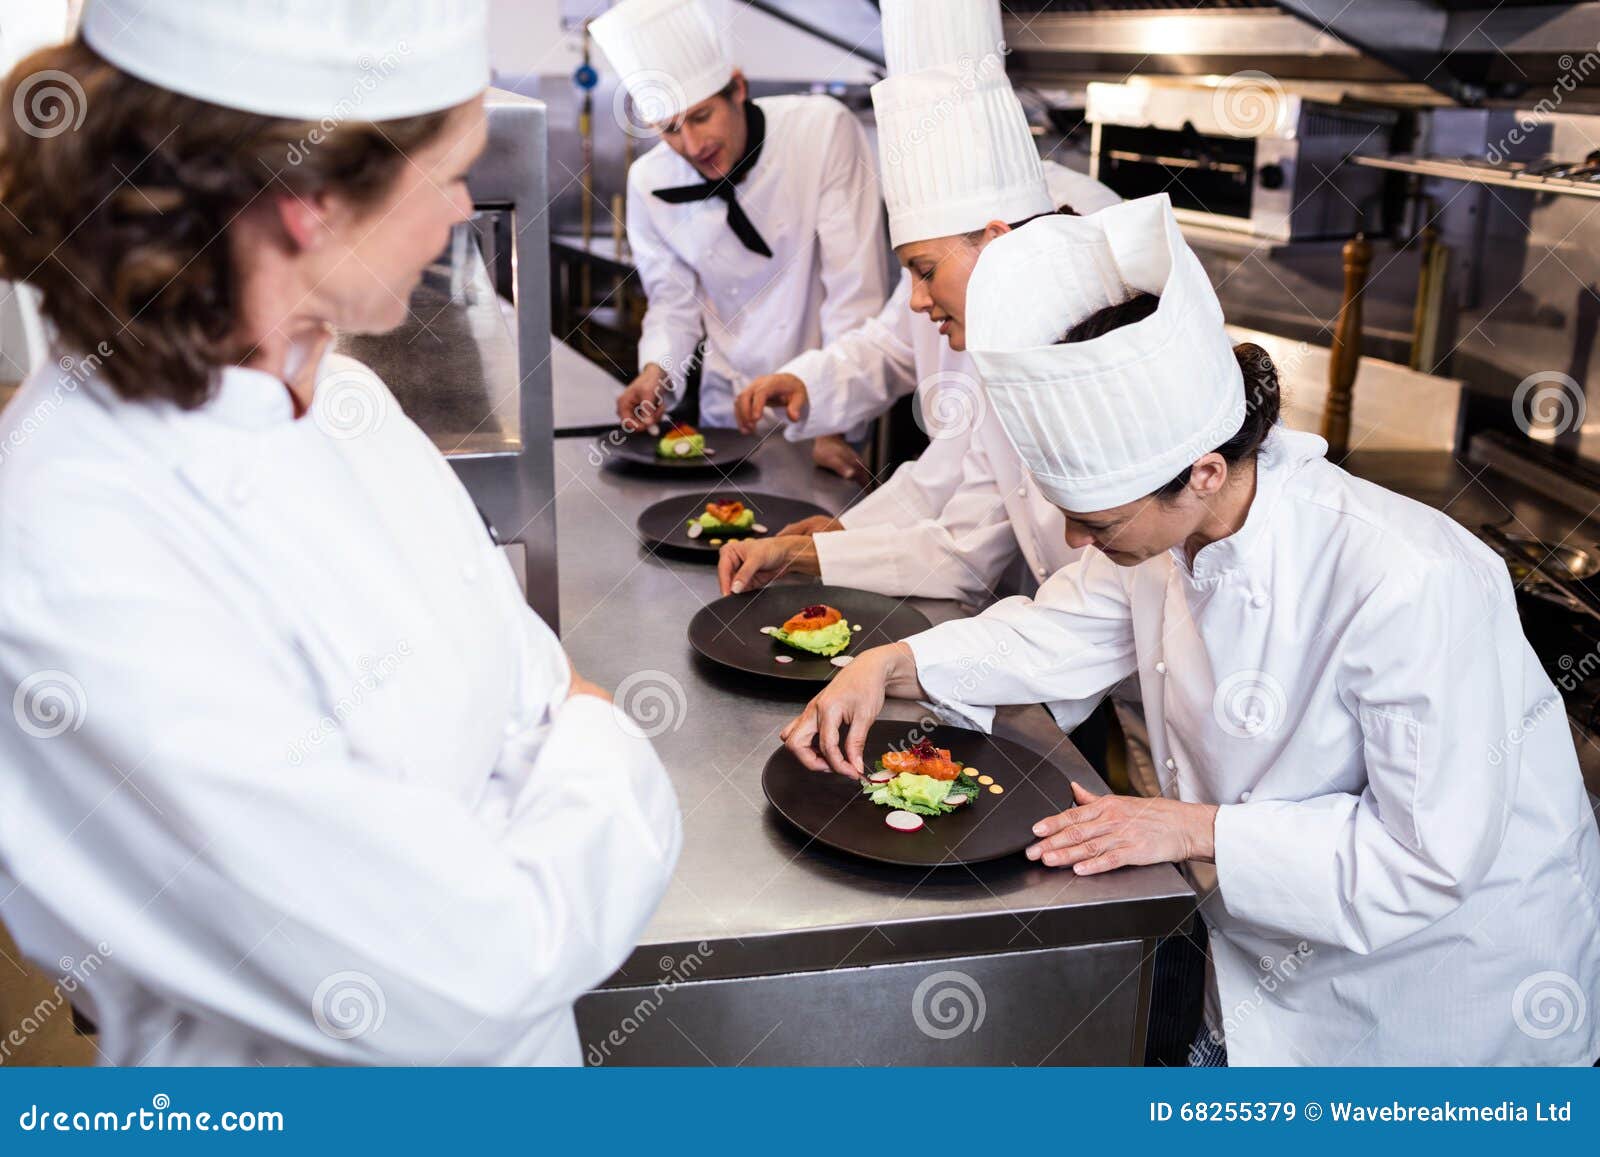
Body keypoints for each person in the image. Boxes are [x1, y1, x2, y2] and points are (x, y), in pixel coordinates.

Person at [0, 0, 679, 1066]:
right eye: (446, 171)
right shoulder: (67, 549)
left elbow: (533, 685)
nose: (461, 210)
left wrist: (552, 751)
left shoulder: (349, 404)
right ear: (308, 202)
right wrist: (604, 749)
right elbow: (465, 973)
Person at [779, 193, 1600, 1066]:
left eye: (1096, 520)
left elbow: (1425, 858)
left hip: (1445, 1016)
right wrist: (887, 662)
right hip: (1266, 967)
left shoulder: (1409, 577)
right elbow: (1049, 633)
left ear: (1205, 472)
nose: (1073, 542)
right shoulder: (1167, 536)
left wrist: (1191, 828)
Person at [592, 0, 886, 481]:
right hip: (724, 414)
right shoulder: (648, 180)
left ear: (738, 88)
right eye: (669, 130)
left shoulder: (821, 131)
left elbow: (853, 293)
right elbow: (673, 304)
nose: (691, 146)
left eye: (702, 116)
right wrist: (656, 373)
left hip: (820, 406)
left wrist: (833, 419)